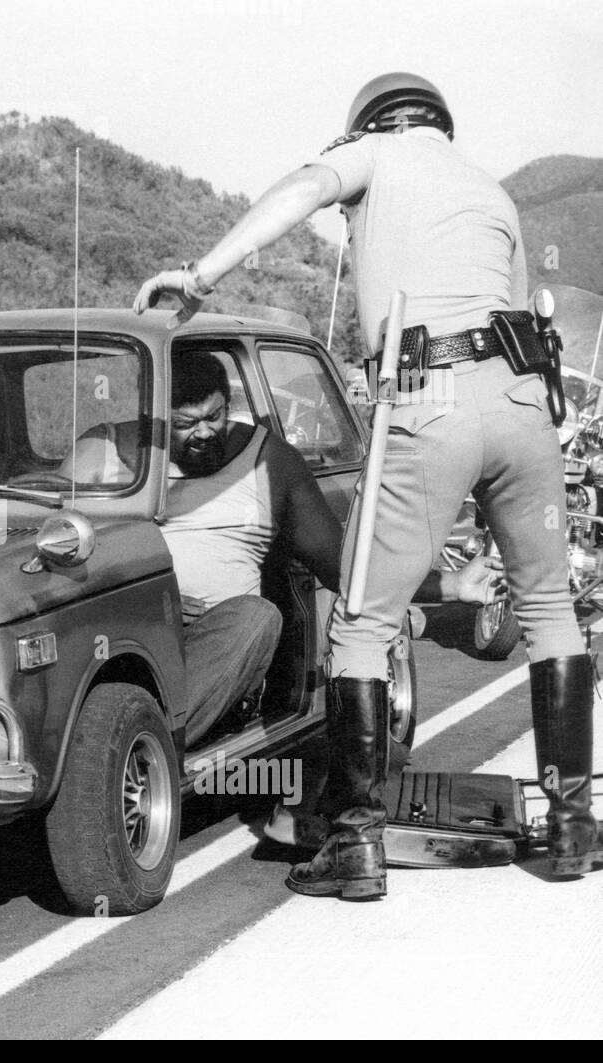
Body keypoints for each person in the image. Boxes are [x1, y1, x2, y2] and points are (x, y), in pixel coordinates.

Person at [134, 72, 597, 898]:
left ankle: (355, 841)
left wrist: (197, 276)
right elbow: (520, 311)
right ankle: (570, 827)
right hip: (525, 402)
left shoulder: (374, 155)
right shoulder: (492, 191)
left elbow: (303, 189)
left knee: (359, 625)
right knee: (550, 610)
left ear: (371, 127)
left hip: (430, 393)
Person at [71, 349, 500, 770]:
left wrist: (452, 585)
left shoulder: (268, 461)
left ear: (228, 403)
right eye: (184, 424)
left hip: (214, 641)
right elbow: (46, 535)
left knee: (257, 616)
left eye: (214, 416)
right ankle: (113, 742)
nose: (203, 433)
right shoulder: (102, 450)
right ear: (153, 415)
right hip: (120, 625)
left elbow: (342, 567)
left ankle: (138, 747)